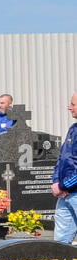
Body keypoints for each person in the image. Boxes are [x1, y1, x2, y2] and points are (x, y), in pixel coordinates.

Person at [52, 92, 77, 245]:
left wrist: (63, 185)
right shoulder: (73, 129)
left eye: (73, 104)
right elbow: (62, 158)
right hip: (65, 195)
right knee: (60, 245)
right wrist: (56, 182)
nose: (69, 107)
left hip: (72, 191)